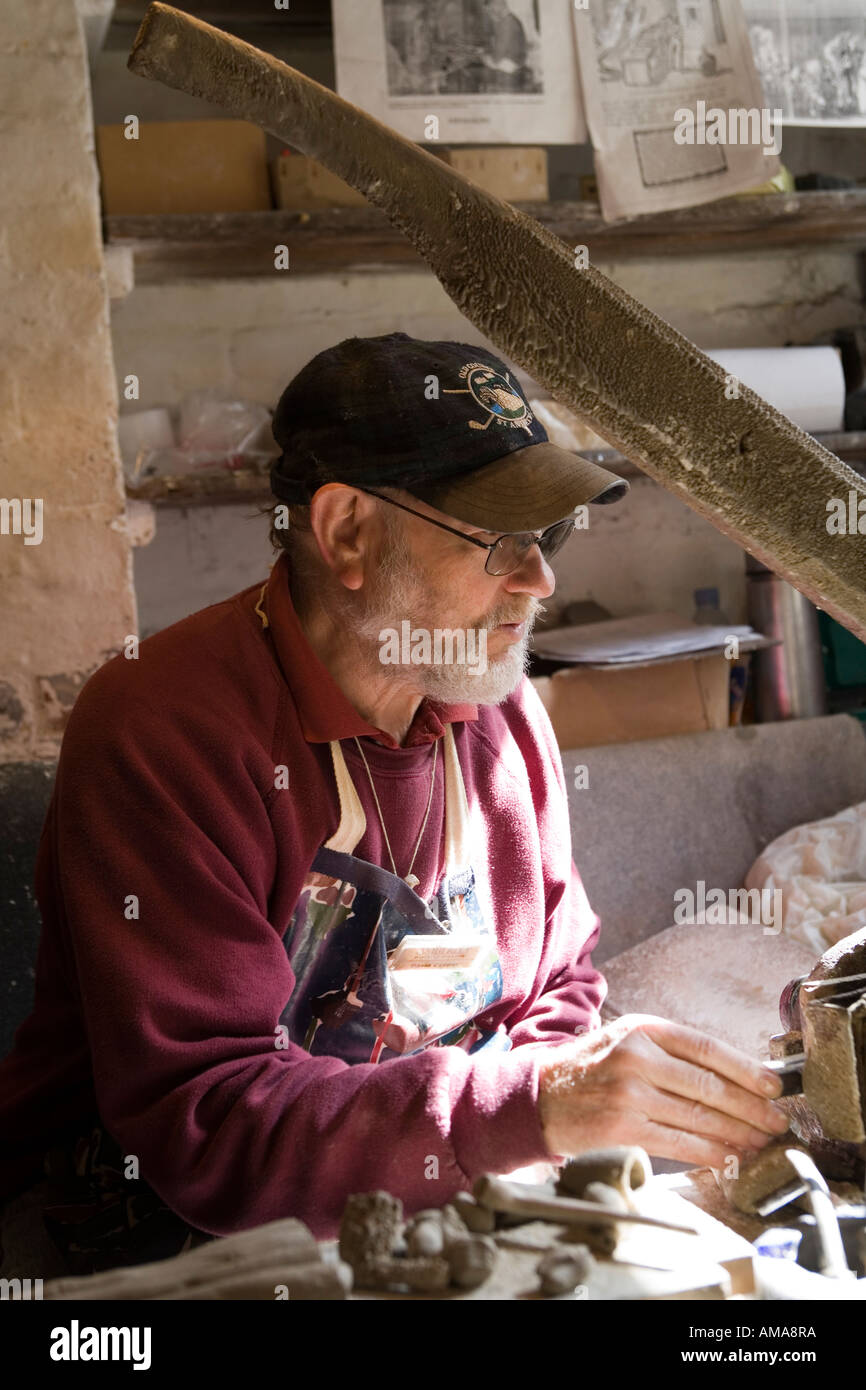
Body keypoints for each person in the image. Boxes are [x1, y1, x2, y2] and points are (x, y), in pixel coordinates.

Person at [0, 333, 787, 1276]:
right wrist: (530, 1104)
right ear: (346, 534)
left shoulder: (494, 702)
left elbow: (558, 988)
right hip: (162, 1222)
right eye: (501, 539)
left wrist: (549, 1118)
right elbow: (207, 1122)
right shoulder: (164, 730)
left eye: (550, 537)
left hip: (439, 1198)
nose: (540, 581)